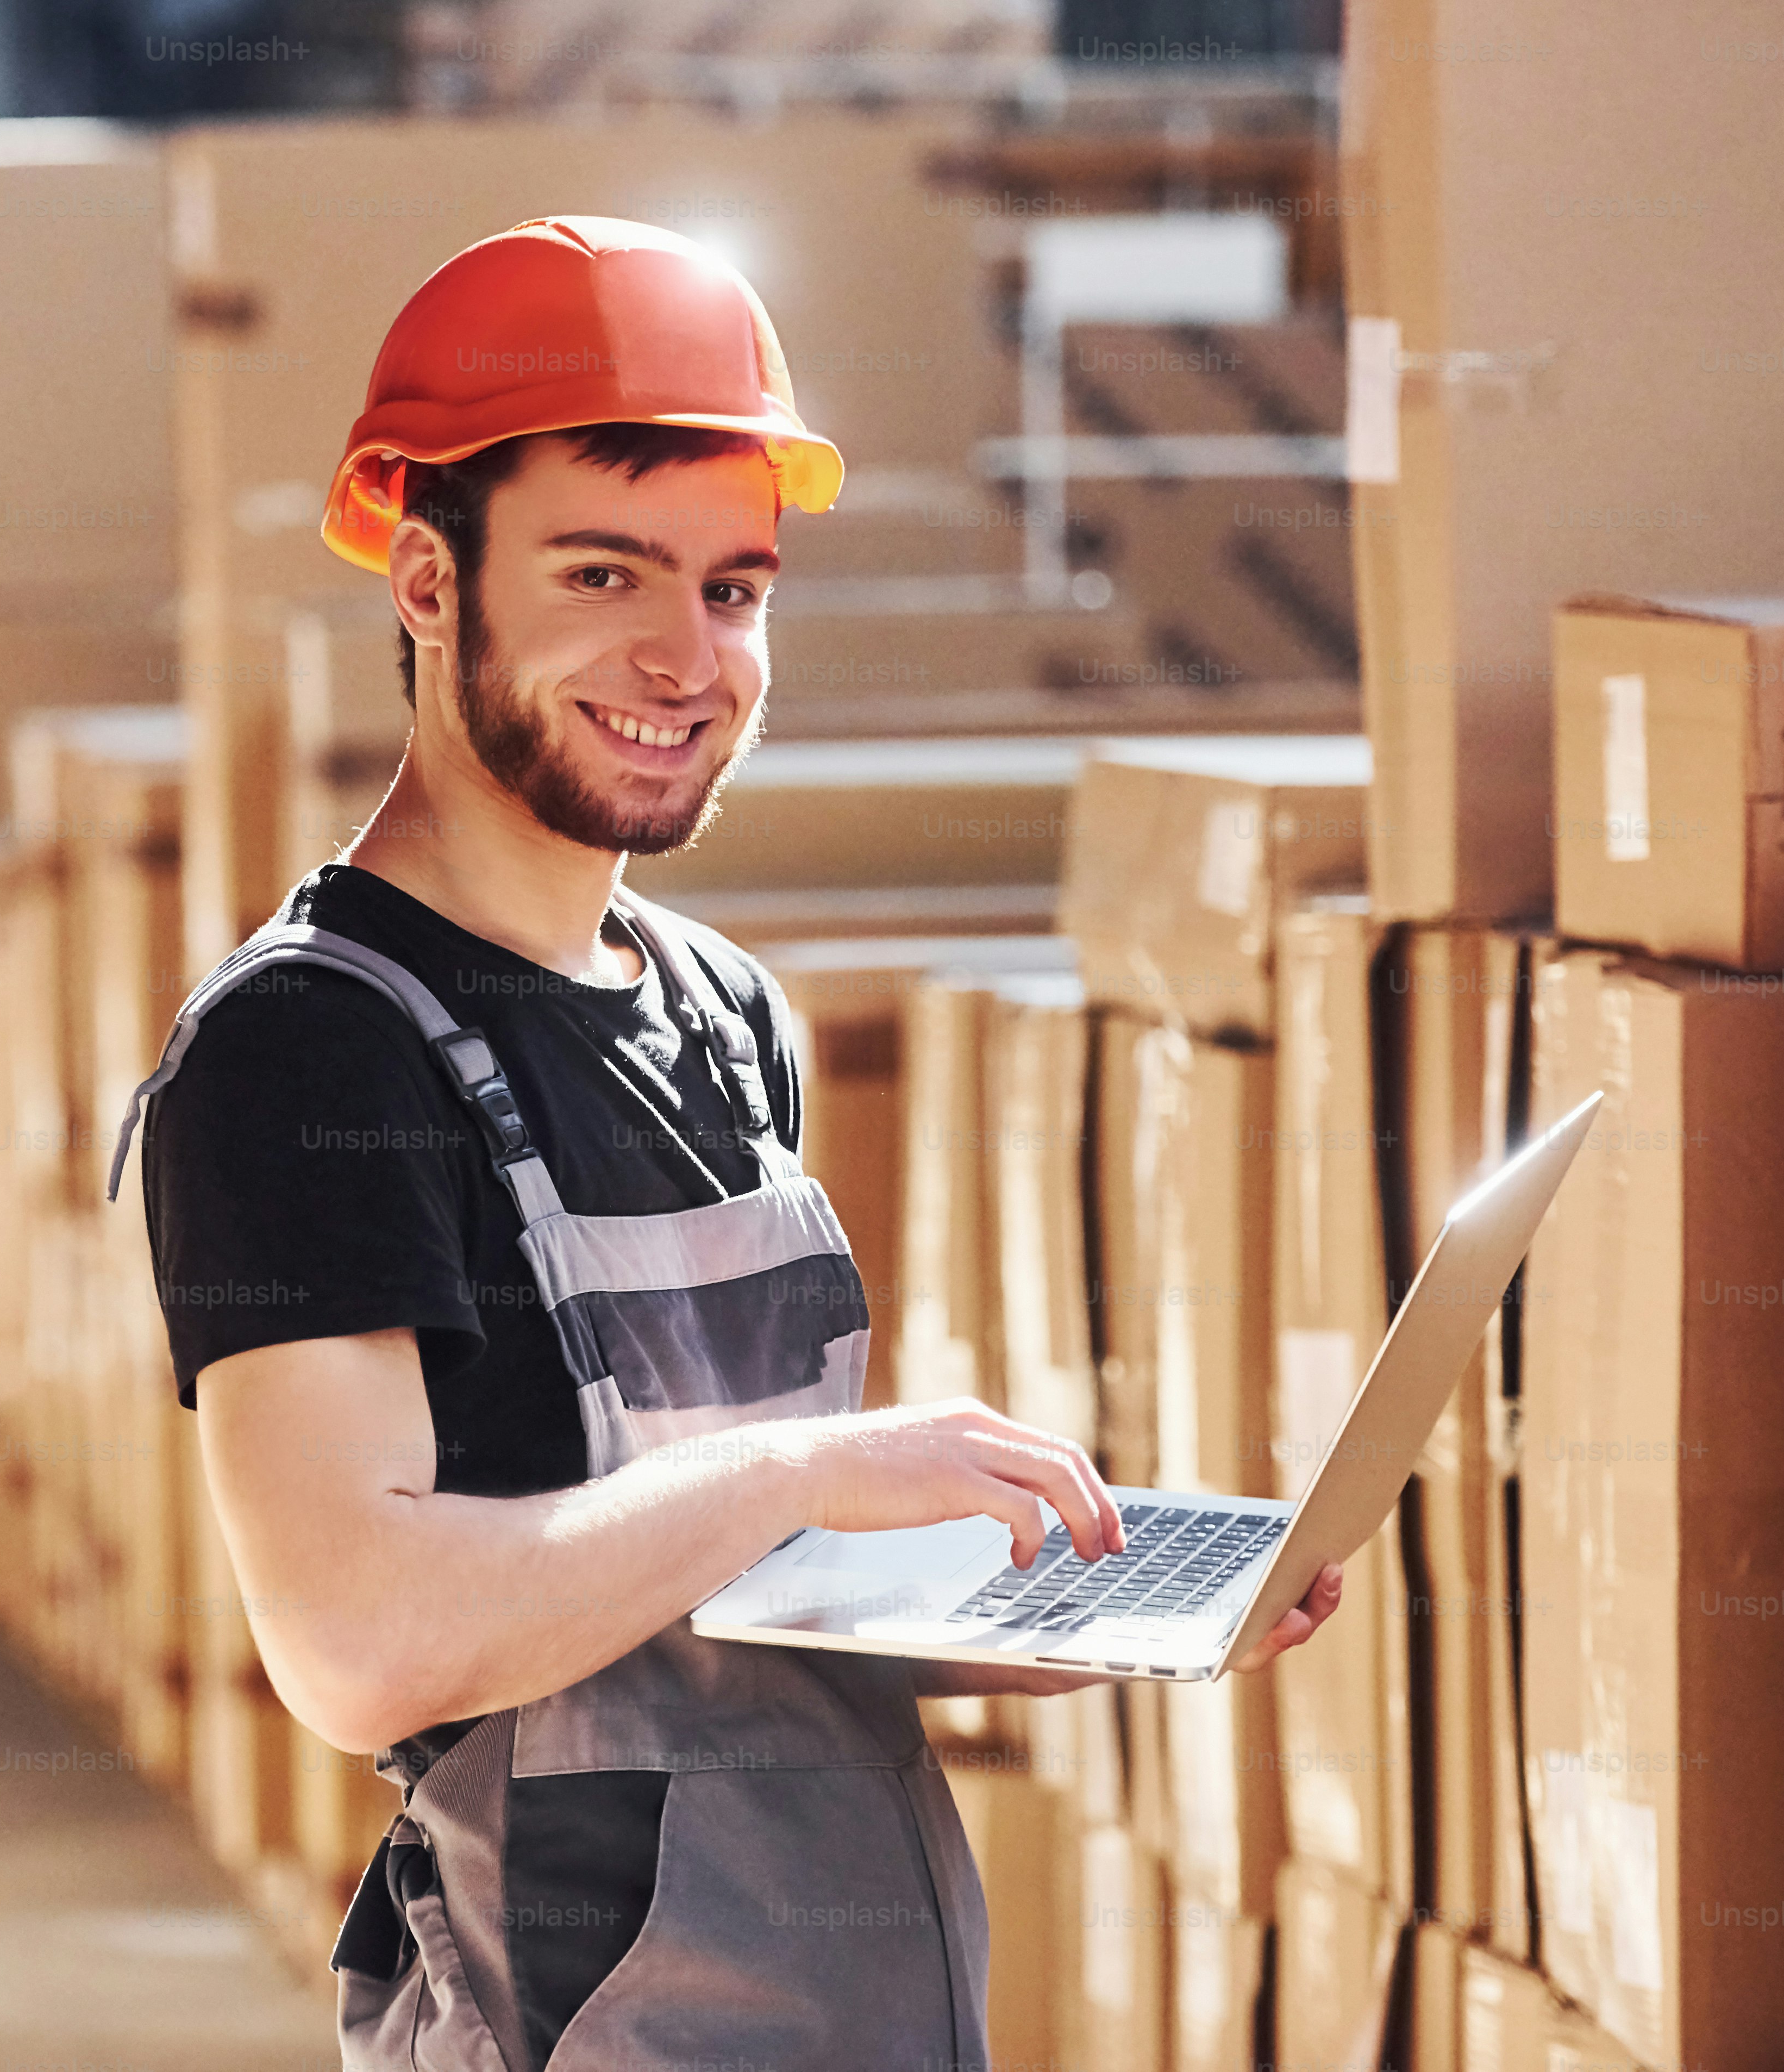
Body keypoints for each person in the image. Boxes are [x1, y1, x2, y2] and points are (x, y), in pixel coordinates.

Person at [122, 215, 1343, 2072]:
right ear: (429, 579)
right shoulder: (308, 1048)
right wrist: (816, 1462)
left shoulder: (717, 1009)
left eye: (737, 588)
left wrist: (1108, 1603)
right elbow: (357, 1639)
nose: (685, 656)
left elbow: (734, 1613)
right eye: (605, 572)